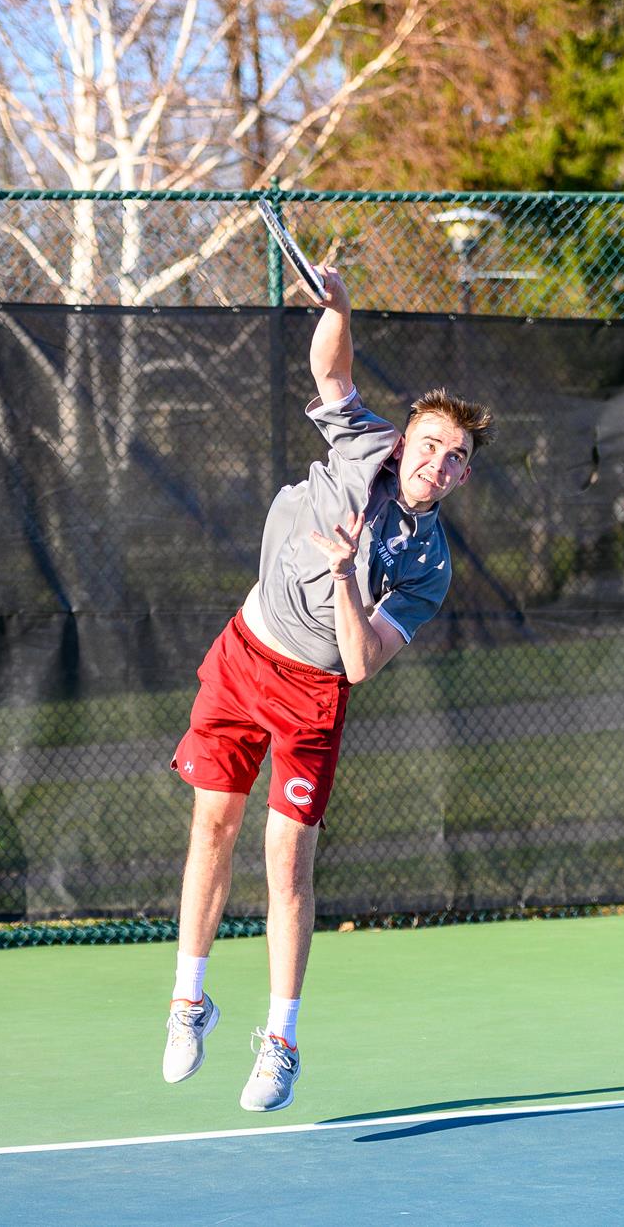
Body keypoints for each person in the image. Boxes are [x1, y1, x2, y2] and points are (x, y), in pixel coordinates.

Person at [161, 263, 493, 1113]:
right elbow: (332, 372)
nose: (437, 463)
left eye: (454, 459)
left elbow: (358, 663)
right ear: (405, 441)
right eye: (429, 445)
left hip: (313, 690)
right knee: (213, 825)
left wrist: (346, 575)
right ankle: (188, 1001)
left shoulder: (428, 568)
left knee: (287, 864)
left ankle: (280, 1040)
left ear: (460, 477)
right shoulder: (363, 442)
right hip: (243, 653)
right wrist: (339, 307)